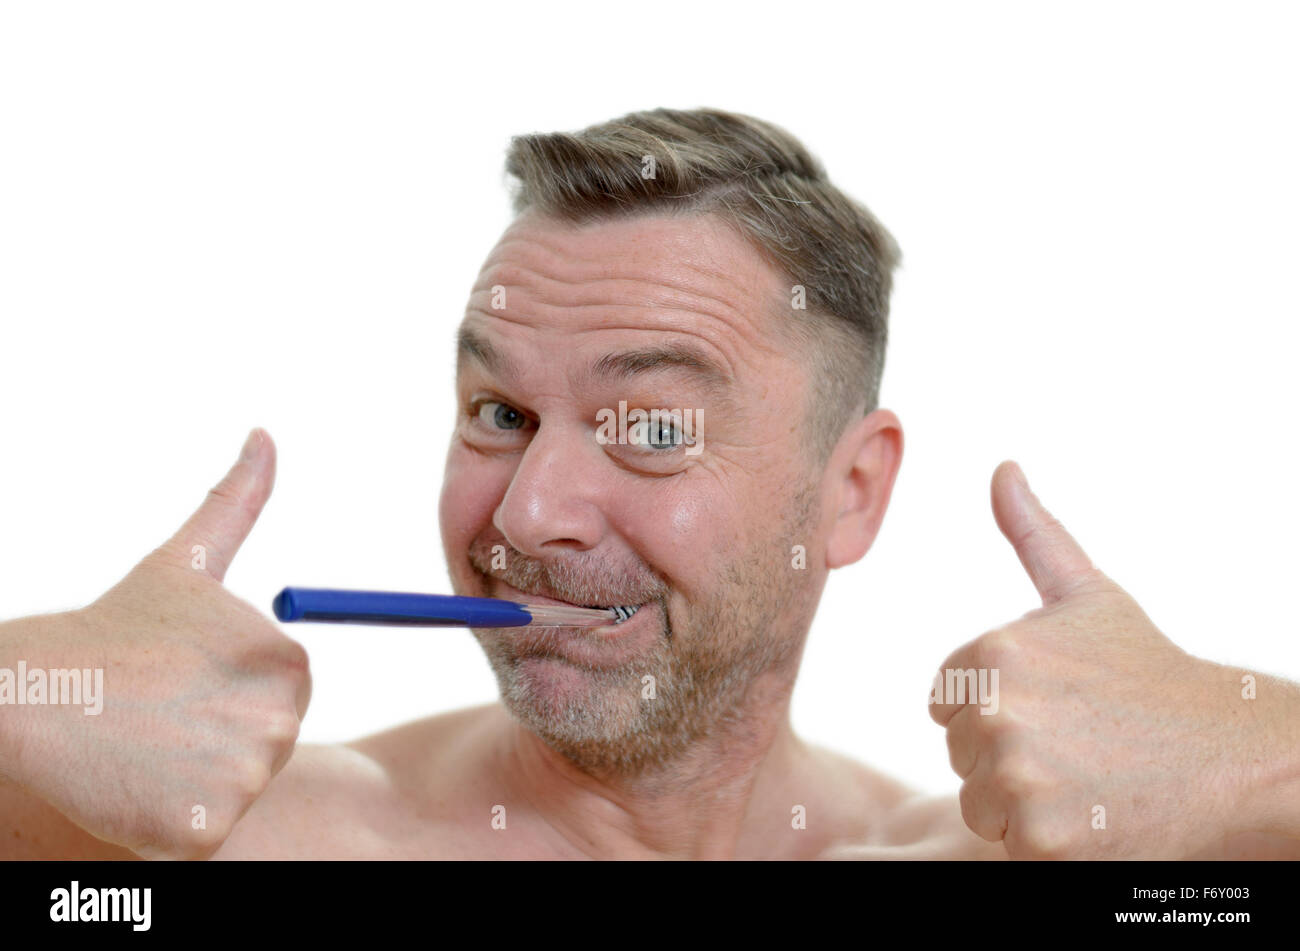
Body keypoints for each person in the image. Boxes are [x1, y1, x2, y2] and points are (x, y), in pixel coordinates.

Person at [2, 108, 1297, 860]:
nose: (525, 514)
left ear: (851, 492)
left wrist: (1254, 756)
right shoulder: (238, 842)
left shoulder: (1029, 861)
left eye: (650, 430)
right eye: (499, 414)